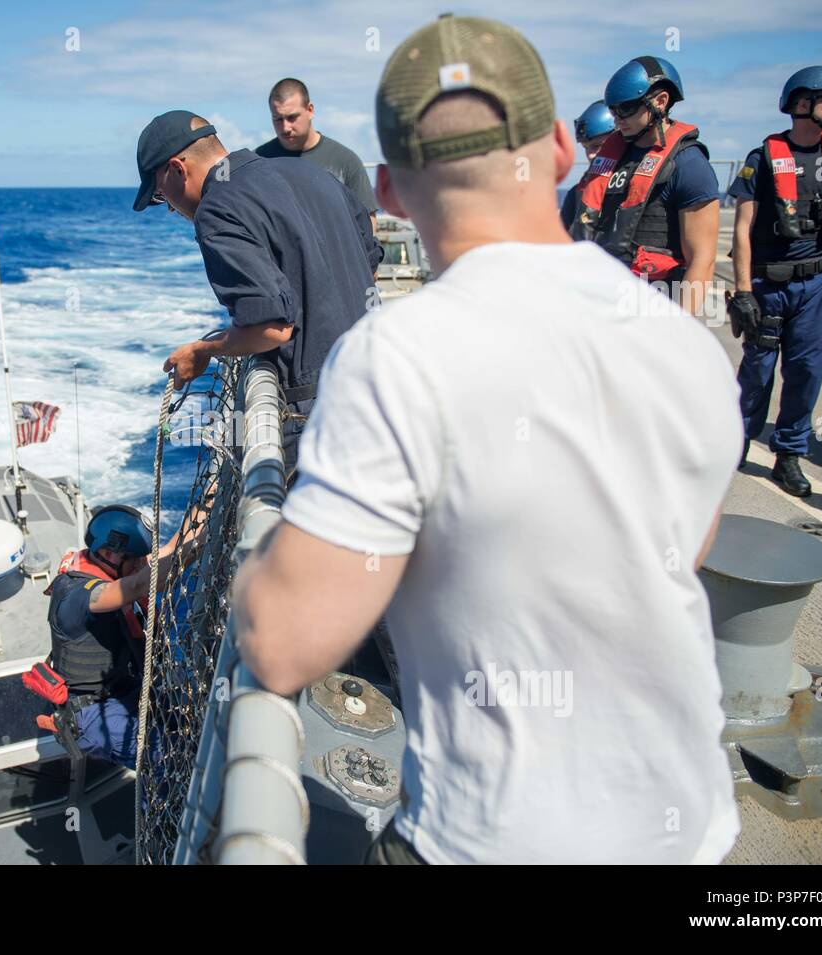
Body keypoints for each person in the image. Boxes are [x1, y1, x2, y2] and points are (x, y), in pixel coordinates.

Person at [233, 14, 742, 865]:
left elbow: (284, 644)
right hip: (689, 834)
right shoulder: (686, 342)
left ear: (389, 189)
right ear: (558, 148)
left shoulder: (394, 360)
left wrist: (253, 554)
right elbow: (685, 548)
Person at [132, 110, 383, 476]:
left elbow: (271, 328)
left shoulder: (217, 209)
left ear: (176, 169)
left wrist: (202, 351)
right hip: (377, 380)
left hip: (318, 412)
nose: (169, 208)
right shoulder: (311, 174)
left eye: (159, 195)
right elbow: (369, 262)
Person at [726, 65, 822, 497]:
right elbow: (743, 230)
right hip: (770, 284)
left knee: (807, 370)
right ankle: (737, 443)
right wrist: (744, 292)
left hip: (821, 283)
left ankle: (788, 455)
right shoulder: (762, 159)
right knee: (758, 368)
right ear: (803, 105)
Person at [42, 505, 196, 769]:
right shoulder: (77, 594)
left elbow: (170, 550)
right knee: (167, 759)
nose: (140, 565)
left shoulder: (117, 568)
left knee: (191, 720)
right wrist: (199, 545)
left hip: (124, 690)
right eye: (134, 559)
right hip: (91, 712)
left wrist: (210, 504)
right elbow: (140, 584)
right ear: (108, 553)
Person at [569, 57, 720, 316]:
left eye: (626, 109)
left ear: (660, 101)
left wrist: (680, 327)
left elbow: (701, 261)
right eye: (613, 110)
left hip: (656, 307)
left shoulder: (689, 166)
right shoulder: (611, 158)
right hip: (605, 304)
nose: (617, 119)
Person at [257, 77, 378, 226]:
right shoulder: (258, 162)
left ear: (310, 110)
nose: (285, 127)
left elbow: (368, 223)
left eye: (292, 117)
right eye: (277, 119)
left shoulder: (345, 161)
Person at [559, 100, 615, 229]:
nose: (591, 155)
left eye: (597, 146)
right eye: (586, 148)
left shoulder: (639, 187)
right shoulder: (575, 195)